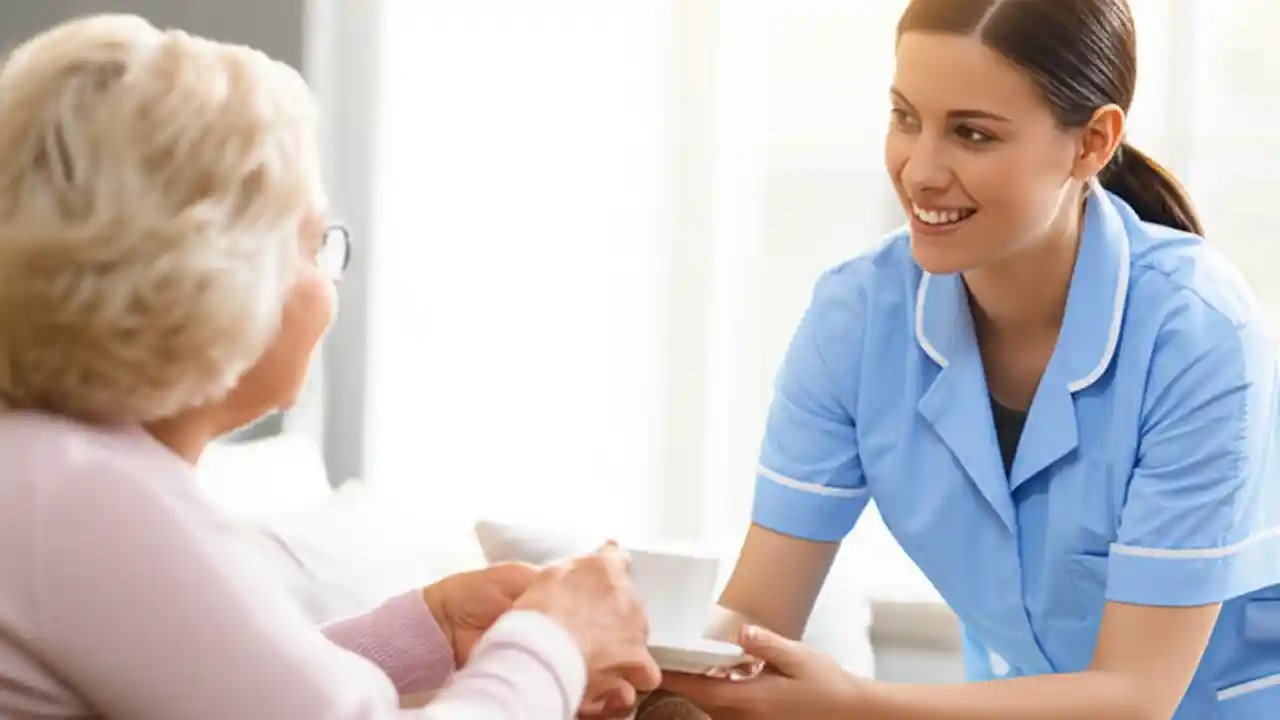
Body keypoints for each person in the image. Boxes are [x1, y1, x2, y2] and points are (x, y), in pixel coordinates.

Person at [0, 14, 659, 719]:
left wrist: (429, 631)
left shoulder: (52, 473)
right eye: (316, 243)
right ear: (216, 271)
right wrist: (553, 644)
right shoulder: (83, 497)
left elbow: (227, 695)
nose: (329, 281)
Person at [664, 0, 1280, 718]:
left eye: (972, 134)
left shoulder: (1198, 332)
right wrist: (628, 659)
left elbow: (1134, 696)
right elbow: (757, 615)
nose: (920, 171)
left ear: (1092, 143)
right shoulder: (856, 318)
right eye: (905, 118)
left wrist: (851, 706)